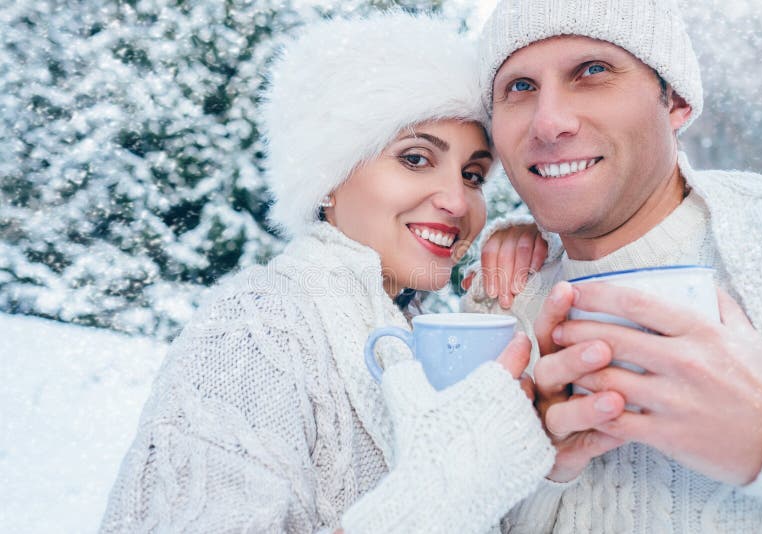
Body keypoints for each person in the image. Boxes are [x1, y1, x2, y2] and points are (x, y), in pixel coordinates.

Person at [99, 12, 558, 534]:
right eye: (415, 158)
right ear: (327, 177)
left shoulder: (413, 329)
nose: (458, 201)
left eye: (473, 175)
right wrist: (431, 501)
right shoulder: (257, 330)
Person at [464, 0, 762, 531]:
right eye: (520, 88)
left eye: (593, 71)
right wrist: (544, 465)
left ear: (677, 101)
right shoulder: (498, 304)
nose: (549, 123)